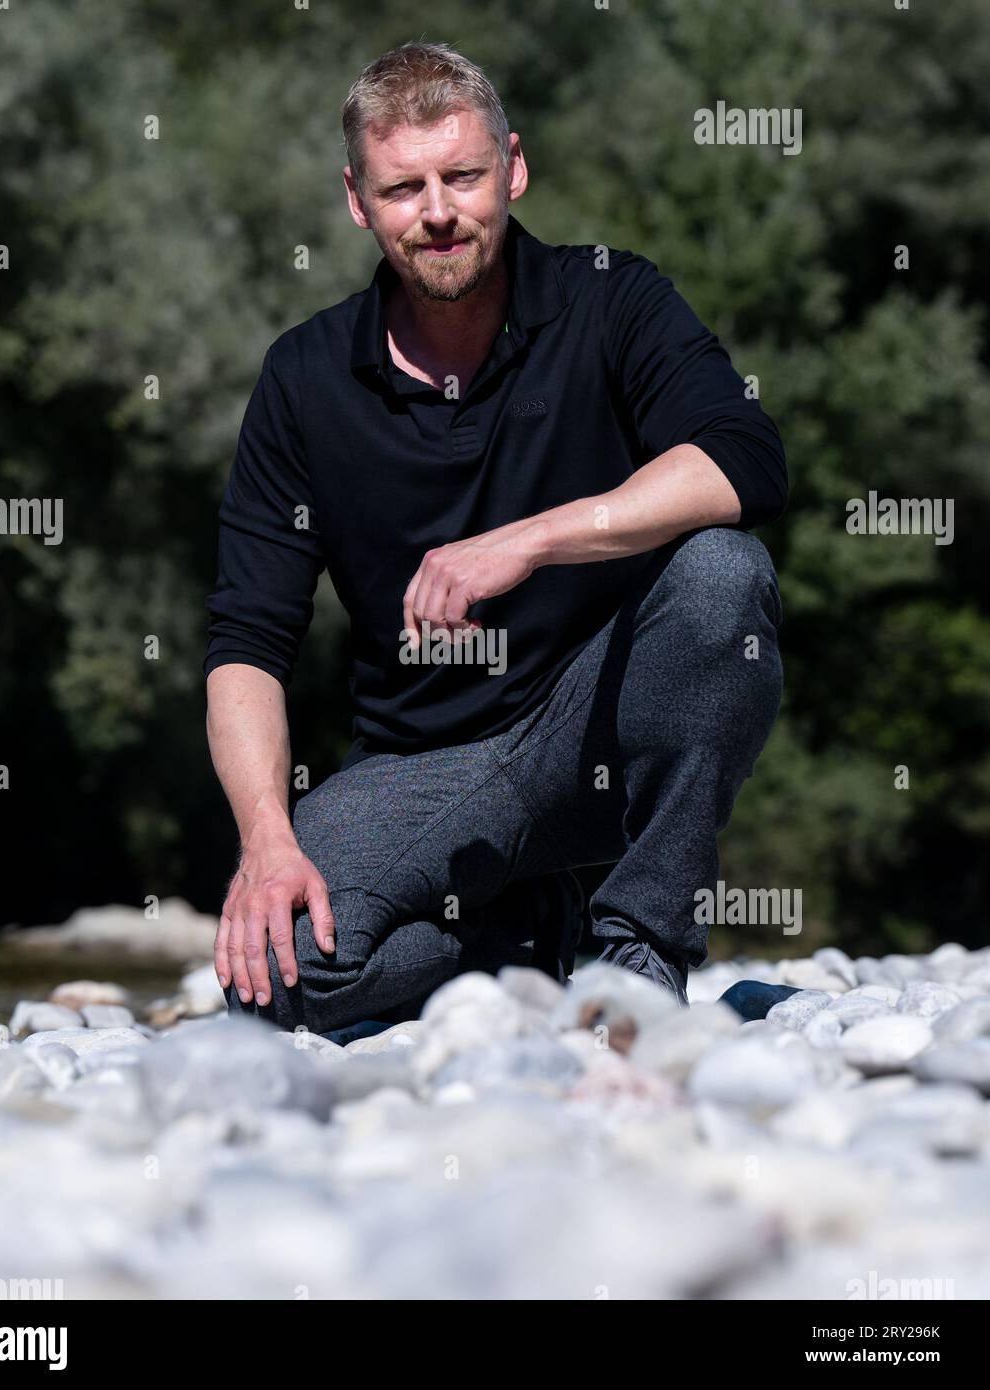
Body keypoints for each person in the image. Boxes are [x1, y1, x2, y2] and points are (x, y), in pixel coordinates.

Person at [203, 41, 785, 1034]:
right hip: (423, 763)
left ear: (511, 169)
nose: (438, 211)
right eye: (403, 187)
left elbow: (744, 461)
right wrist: (266, 841)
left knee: (721, 574)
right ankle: (531, 927)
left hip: (600, 731)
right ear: (358, 201)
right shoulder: (304, 378)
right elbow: (247, 644)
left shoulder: (613, 299)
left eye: (463, 176)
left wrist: (533, 538)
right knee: (284, 973)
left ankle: (640, 948)